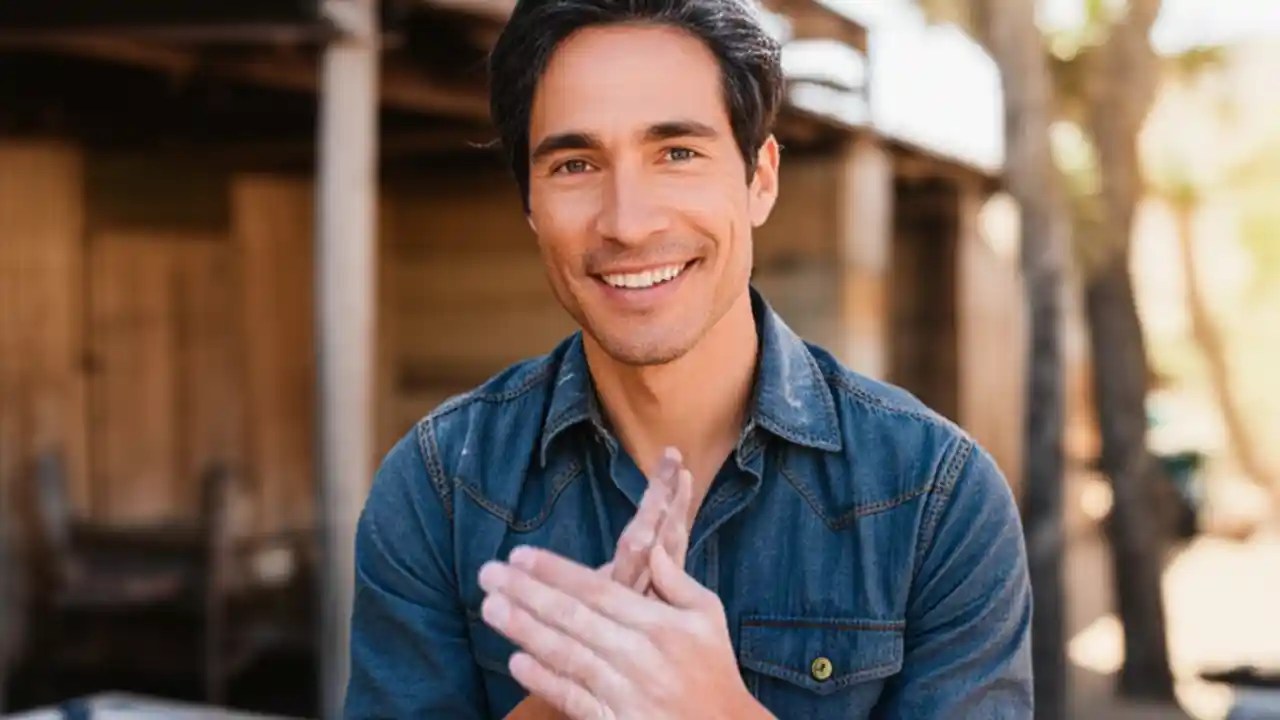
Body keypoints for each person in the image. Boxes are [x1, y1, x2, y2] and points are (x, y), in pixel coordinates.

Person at [344, 0, 1033, 717]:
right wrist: (572, 691)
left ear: (760, 177)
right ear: (529, 205)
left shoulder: (935, 498)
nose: (629, 223)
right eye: (575, 164)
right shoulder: (439, 488)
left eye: (677, 153)